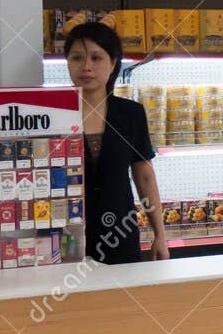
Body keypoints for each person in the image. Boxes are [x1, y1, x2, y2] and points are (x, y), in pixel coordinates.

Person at [64, 21, 168, 263]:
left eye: (96, 58)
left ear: (113, 64)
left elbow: (144, 177)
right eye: (77, 58)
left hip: (119, 233)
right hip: (65, 236)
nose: (86, 67)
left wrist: (159, 235)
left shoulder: (130, 114)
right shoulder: (53, 115)